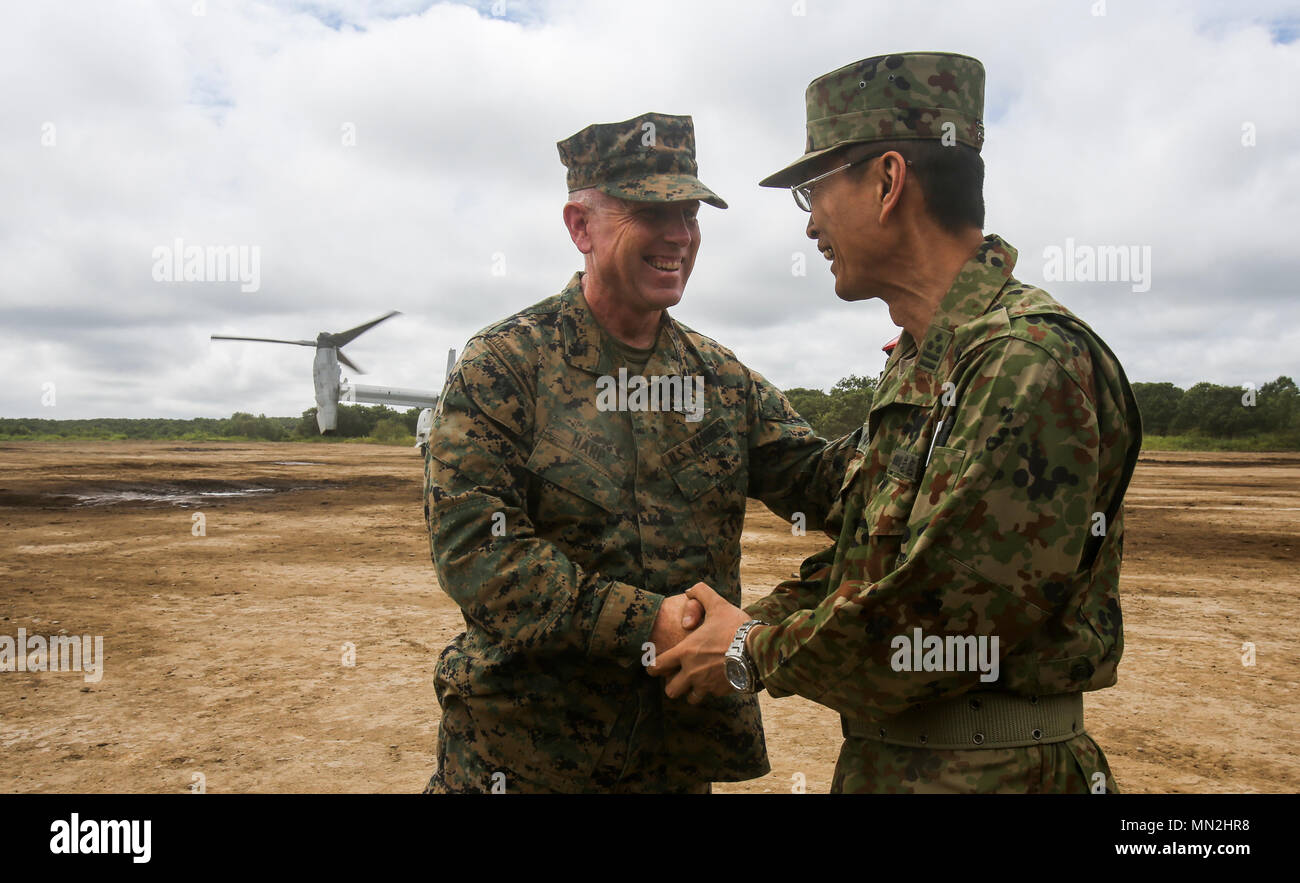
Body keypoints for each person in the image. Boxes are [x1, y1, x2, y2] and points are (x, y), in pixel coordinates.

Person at [651, 53, 1143, 794]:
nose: (812, 220)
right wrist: (748, 621)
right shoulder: (927, 362)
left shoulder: (1025, 361)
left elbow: (942, 625)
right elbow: (866, 564)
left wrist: (754, 646)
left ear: (887, 182)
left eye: (814, 190)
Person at [422, 112, 856, 793]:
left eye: (689, 212)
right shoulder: (506, 367)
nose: (679, 235)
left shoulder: (719, 378)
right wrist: (646, 620)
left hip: (675, 763)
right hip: (528, 764)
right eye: (651, 210)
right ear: (580, 225)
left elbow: (830, 481)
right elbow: (478, 553)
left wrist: (930, 380)